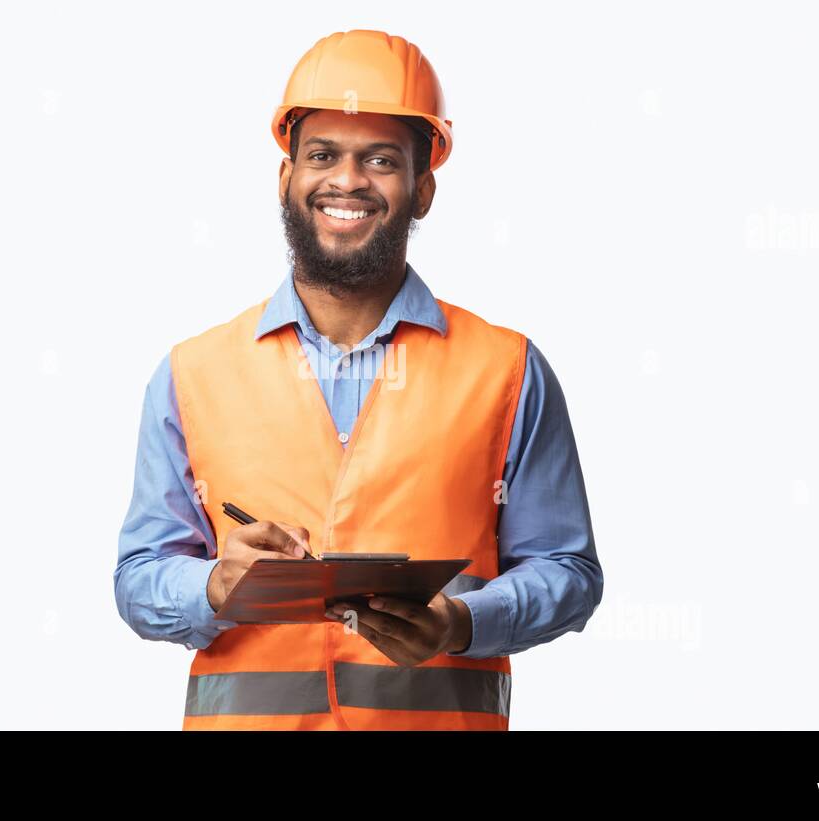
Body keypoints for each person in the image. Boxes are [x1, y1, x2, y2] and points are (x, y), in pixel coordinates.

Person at [114, 29, 603, 730]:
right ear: (286, 176)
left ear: (423, 188)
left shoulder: (508, 370)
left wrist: (462, 622)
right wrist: (214, 583)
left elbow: (568, 570)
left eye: (380, 159)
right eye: (322, 155)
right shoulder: (193, 373)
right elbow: (137, 578)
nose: (347, 181)